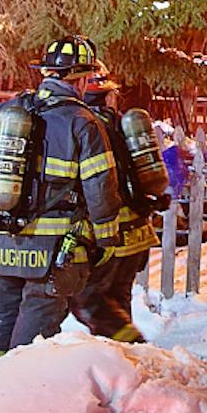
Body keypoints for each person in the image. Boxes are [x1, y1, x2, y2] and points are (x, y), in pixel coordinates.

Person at [0, 34, 124, 361]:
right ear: (82, 78)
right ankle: (18, 402)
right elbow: (101, 190)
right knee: (31, 345)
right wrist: (107, 240)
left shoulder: (9, 111)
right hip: (50, 253)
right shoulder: (82, 122)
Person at [67, 61, 159, 344]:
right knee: (117, 299)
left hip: (112, 232)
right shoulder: (123, 125)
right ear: (108, 94)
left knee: (86, 299)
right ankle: (122, 359)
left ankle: (132, 344)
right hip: (137, 232)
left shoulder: (87, 131)